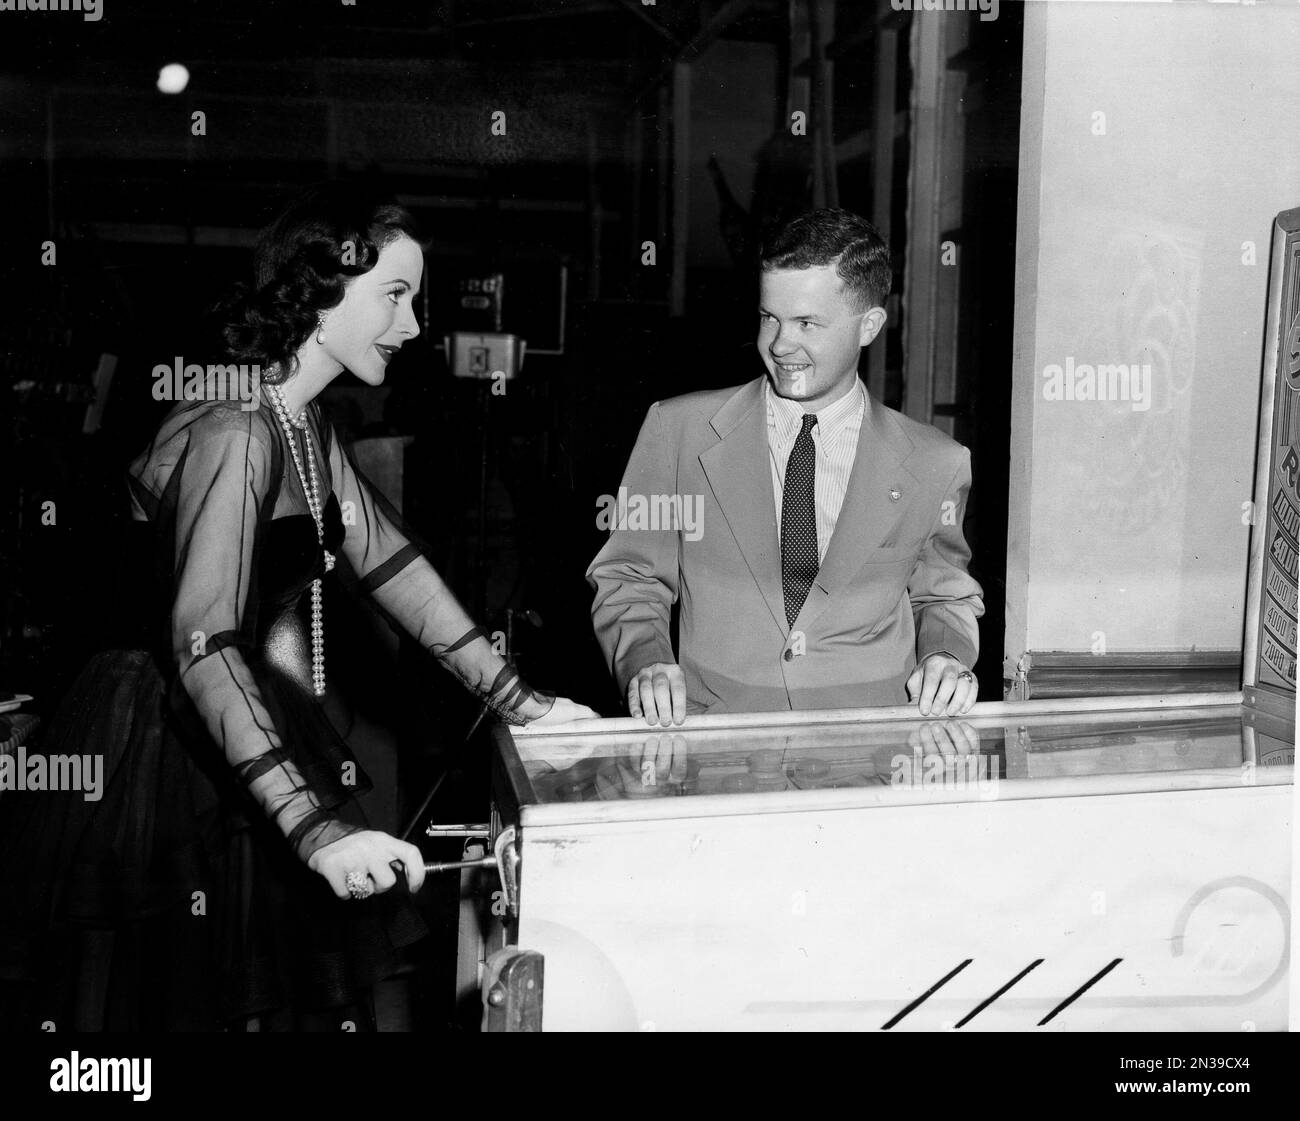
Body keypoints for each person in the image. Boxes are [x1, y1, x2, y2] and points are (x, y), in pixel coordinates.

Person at [0, 183, 596, 1031]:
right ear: (319, 292)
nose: (415, 324)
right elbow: (203, 644)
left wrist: (527, 705)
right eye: (395, 295)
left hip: (238, 723)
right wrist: (317, 830)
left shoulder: (301, 424)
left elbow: (391, 567)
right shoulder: (235, 430)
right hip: (158, 745)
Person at [588, 208, 984, 725]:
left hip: (868, 758)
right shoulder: (677, 431)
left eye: (806, 323)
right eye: (769, 317)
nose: (778, 344)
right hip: (716, 752)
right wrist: (645, 661)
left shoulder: (937, 462)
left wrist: (946, 657)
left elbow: (942, 594)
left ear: (870, 326)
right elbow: (628, 576)